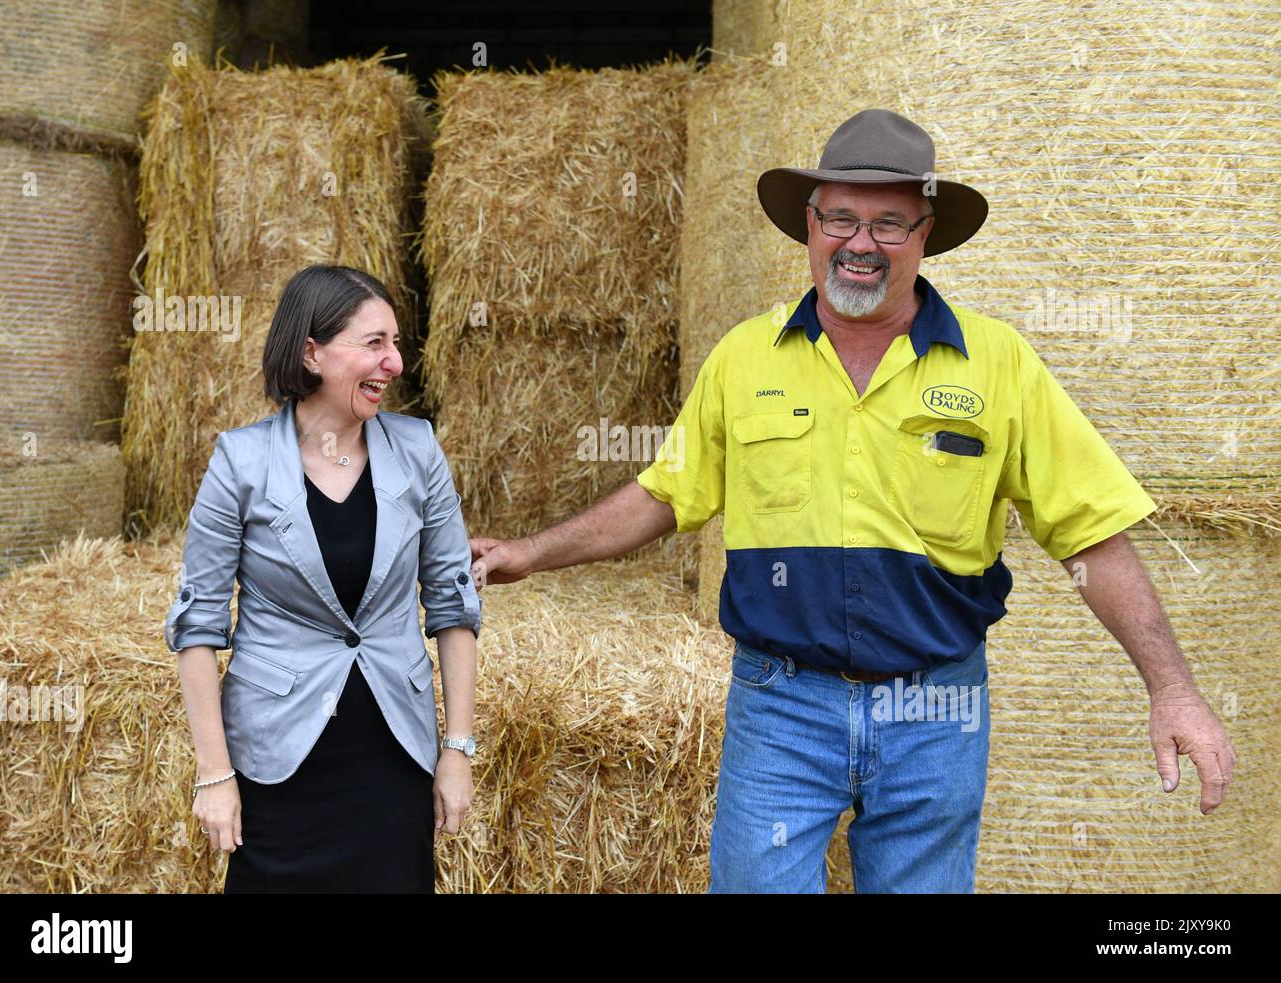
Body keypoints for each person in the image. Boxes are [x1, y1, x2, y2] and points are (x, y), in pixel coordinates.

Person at [469, 109, 1236, 893]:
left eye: (889, 223)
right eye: (840, 217)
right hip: (782, 708)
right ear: (810, 224)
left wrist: (1171, 688)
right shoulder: (745, 357)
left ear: (925, 233)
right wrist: (530, 552)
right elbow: (664, 495)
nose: (860, 243)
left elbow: (1089, 534)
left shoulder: (998, 363)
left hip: (938, 711)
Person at [165, 264, 481, 893]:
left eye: (395, 344)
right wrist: (214, 775)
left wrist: (458, 749)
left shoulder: (419, 449)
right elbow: (198, 624)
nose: (393, 363)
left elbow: (452, 604)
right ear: (310, 352)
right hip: (278, 764)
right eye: (373, 344)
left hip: (393, 759)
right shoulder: (241, 461)